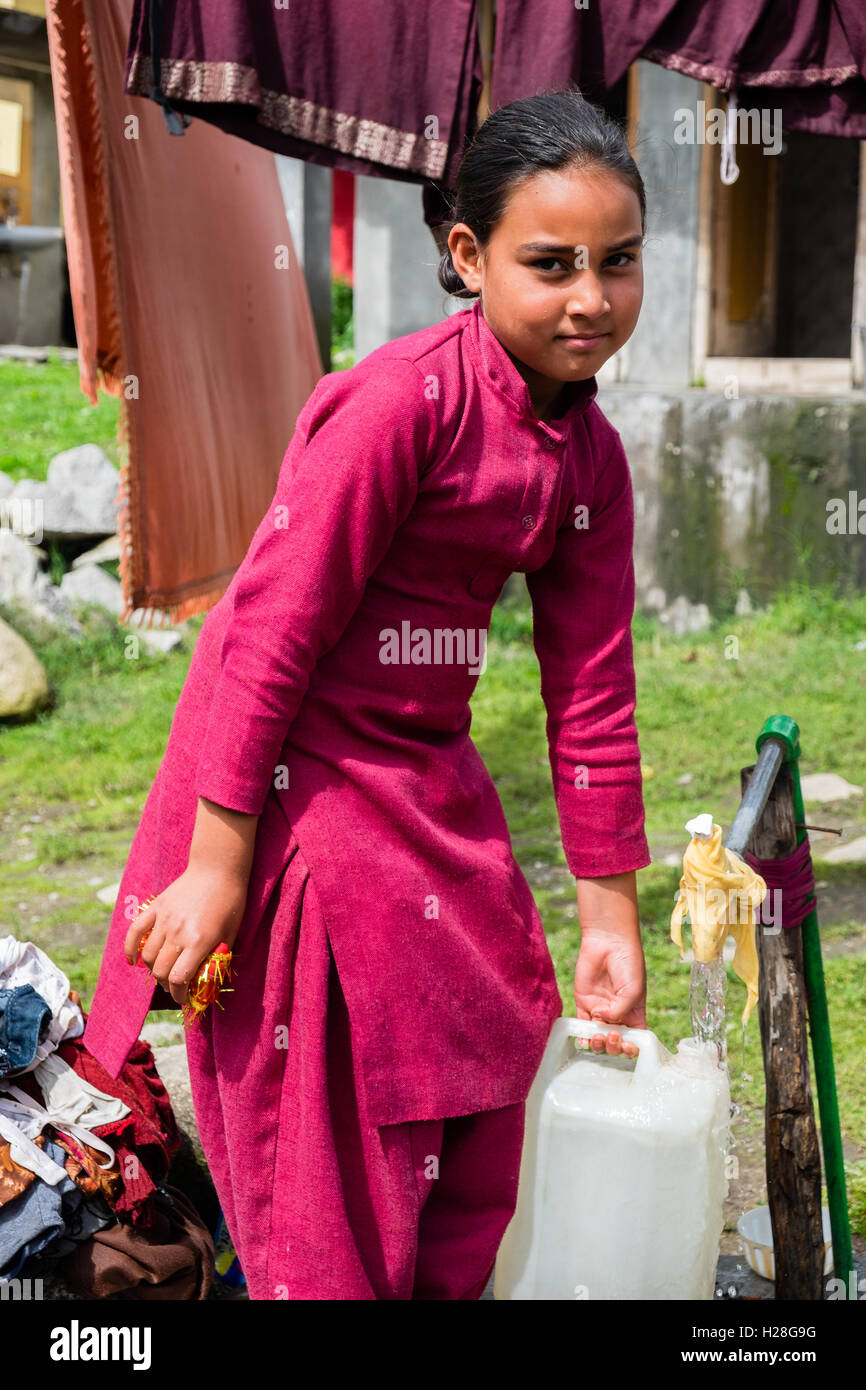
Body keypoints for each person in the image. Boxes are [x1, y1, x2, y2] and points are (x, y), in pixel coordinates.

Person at [82, 86, 652, 1300]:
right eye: (549, 264)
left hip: (420, 763)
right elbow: (268, 637)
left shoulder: (589, 457)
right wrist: (217, 865)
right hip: (284, 772)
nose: (590, 298)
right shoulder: (400, 403)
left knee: (492, 1042)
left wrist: (607, 917)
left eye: (616, 263)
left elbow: (592, 686)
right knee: (333, 1111)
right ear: (466, 255)